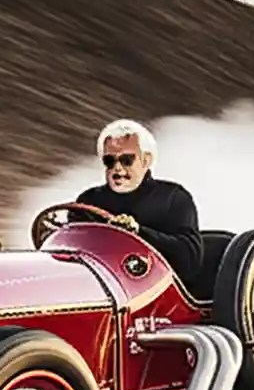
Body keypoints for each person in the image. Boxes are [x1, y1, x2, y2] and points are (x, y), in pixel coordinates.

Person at [74, 119, 203, 285]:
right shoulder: (88, 201)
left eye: (127, 160)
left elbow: (190, 260)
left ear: (146, 160)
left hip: (156, 294)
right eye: (110, 161)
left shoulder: (173, 197)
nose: (118, 169)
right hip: (93, 283)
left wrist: (138, 232)